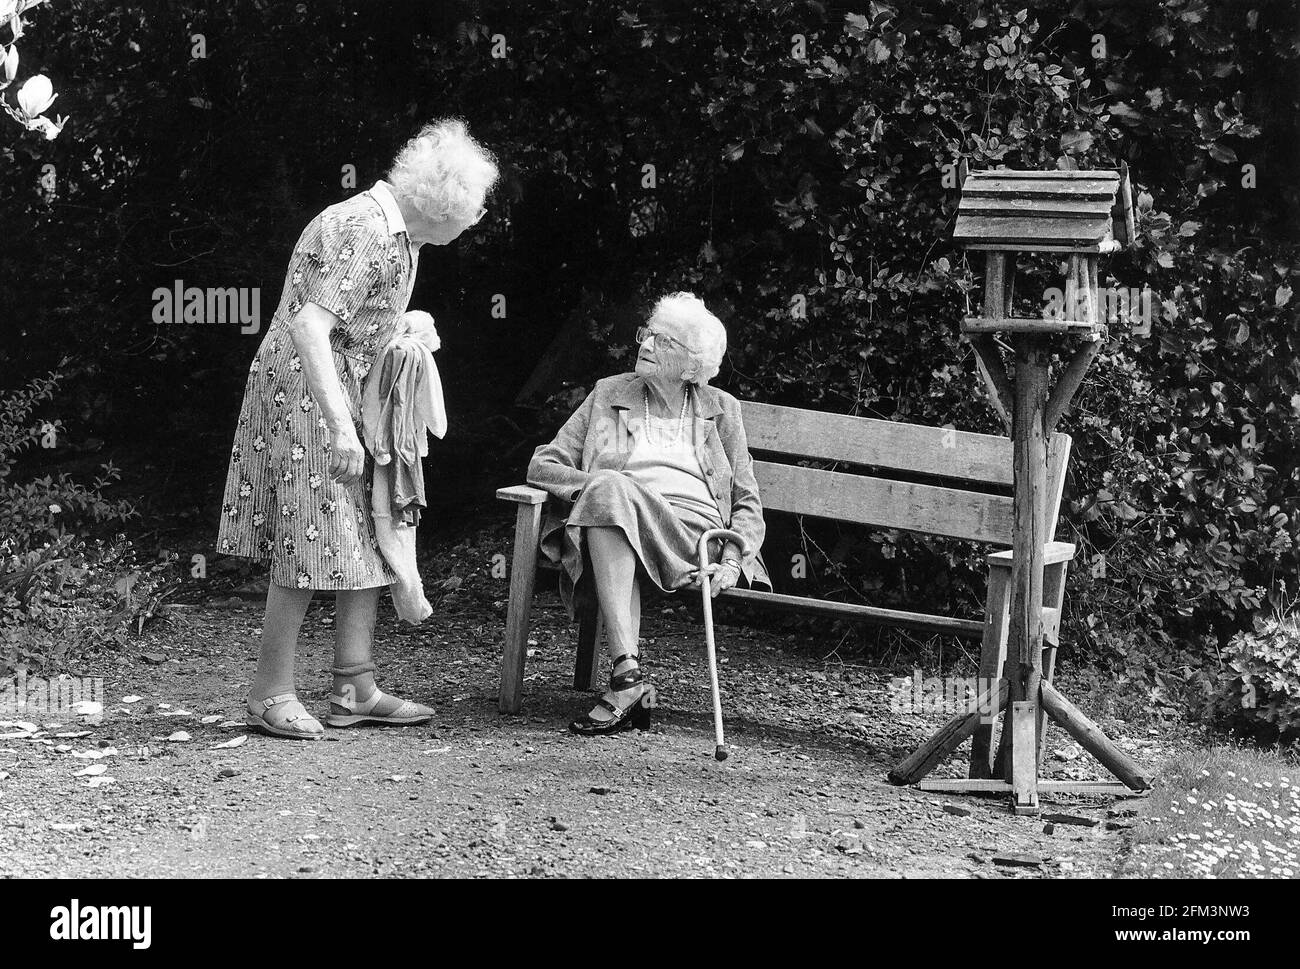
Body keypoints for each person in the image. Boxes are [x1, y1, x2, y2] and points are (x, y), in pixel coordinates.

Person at [216, 118, 499, 738]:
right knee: (308, 535)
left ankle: (353, 685)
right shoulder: (362, 228)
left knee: (366, 527)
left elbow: (354, 316)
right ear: (442, 203)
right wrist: (342, 429)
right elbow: (310, 328)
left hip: (348, 392)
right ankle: (270, 692)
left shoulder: (401, 237)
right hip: (308, 397)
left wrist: (403, 328)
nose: (472, 223)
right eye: (470, 210)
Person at [527, 292, 772, 736]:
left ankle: (626, 682)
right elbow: (544, 464)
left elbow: (747, 500)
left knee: (611, 496)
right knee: (611, 496)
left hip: (697, 537)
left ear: (693, 365)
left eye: (665, 341)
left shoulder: (721, 409)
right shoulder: (611, 394)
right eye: (648, 334)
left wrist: (736, 559)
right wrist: (602, 489)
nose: (646, 344)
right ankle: (627, 676)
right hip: (622, 526)